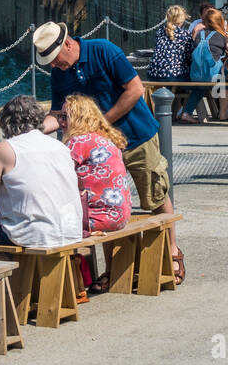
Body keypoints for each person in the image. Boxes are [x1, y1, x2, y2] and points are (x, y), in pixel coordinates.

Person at [35, 23, 184, 281]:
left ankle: (172, 251)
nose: (54, 66)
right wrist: (35, 133)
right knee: (101, 205)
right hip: (97, 151)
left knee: (155, 194)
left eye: (55, 60)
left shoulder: (103, 51)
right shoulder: (59, 73)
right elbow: (57, 113)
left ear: (68, 45)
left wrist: (101, 124)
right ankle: (114, 268)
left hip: (136, 136)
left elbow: (135, 89)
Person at [0, 95, 82, 249]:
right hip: (72, 230)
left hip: (33, 235)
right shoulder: (61, 147)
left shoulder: (8, 149)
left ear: (6, 123)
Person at [62, 94, 132, 235]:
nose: (61, 123)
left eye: (65, 117)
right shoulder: (106, 140)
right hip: (120, 215)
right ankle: (82, 258)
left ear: (77, 118)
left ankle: (76, 258)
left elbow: (60, 176)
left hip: (97, 217)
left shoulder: (78, 142)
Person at [177, 8, 228, 123]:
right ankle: (223, 114)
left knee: (199, 88)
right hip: (213, 77)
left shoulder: (199, 34)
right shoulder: (222, 36)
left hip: (195, 76)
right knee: (225, 82)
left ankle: (186, 113)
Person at [149, 5, 193, 80]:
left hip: (153, 73)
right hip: (174, 75)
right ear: (182, 19)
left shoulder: (160, 31)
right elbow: (189, 56)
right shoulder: (185, 34)